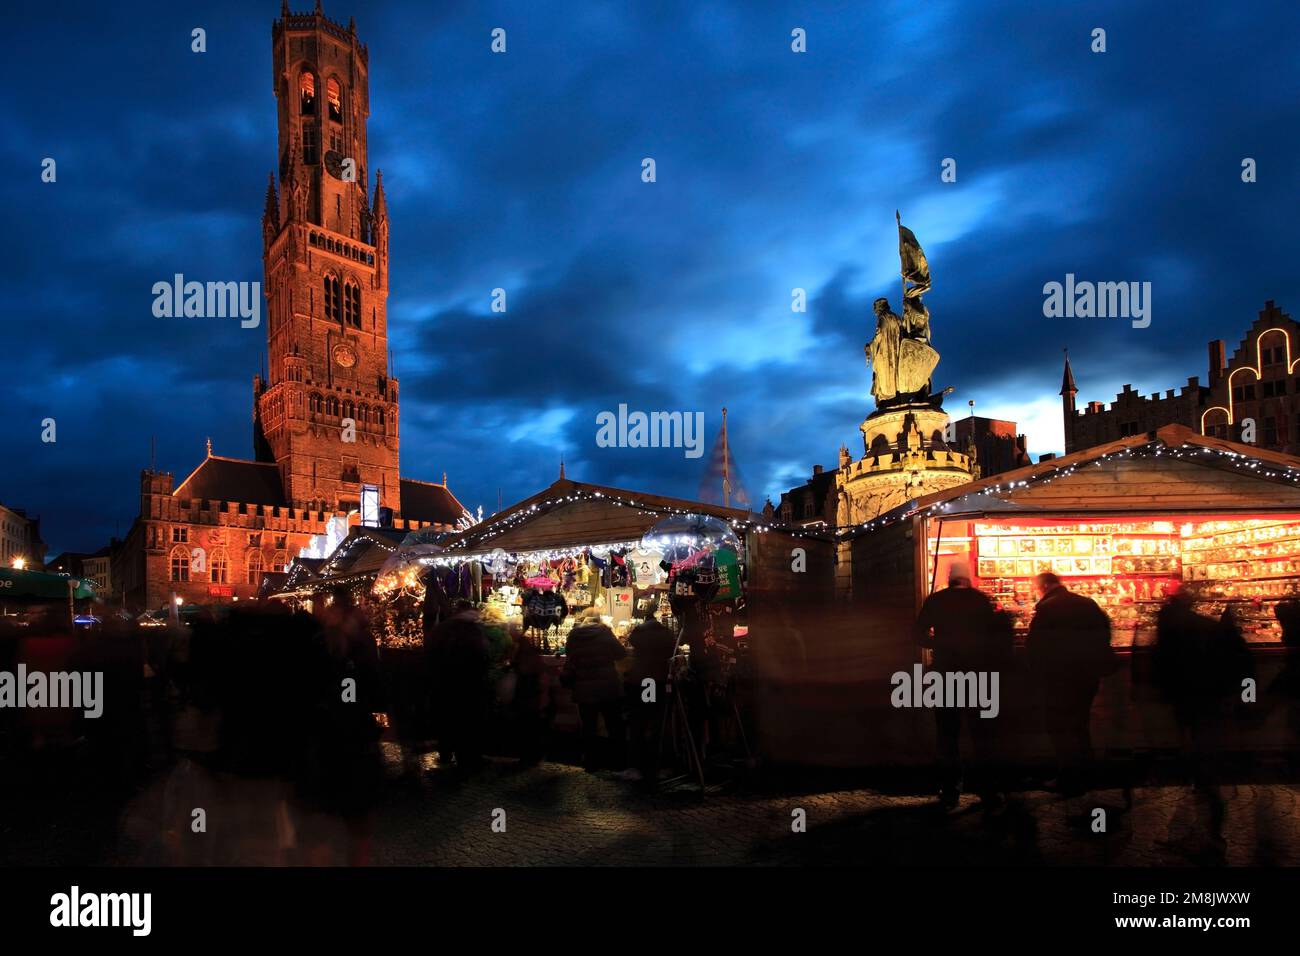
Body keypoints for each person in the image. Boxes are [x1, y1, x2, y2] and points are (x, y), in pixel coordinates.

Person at [1152, 585, 1253, 855]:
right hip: (1209, 701)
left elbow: (1165, 667)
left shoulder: (1173, 631)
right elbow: (1242, 661)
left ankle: (1208, 837)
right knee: (1204, 763)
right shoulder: (1207, 628)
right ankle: (1205, 832)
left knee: (1202, 765)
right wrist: (1244, 697)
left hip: (1196, 702)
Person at [914, 559, 1007, 810]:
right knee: (983, 735)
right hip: (978, 674)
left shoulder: (936, 600)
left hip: (946, 675)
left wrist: (939, 644)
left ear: (949, 578)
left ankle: (951, 790)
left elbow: (918, 634)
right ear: (967, 578)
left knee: (947, 735)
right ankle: (988, 790)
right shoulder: (981, 600)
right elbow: (994, 637)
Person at [1025, 571, 1115, 797]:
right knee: (1080, 725)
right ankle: (1087, 774)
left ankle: (1068, 777)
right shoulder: (1087, 603)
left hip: (1059, 675)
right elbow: (1105, 632)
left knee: (1059, 727)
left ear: (1044, 586)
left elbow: (1034, 645)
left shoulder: (1047, 608)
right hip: (1086, 675)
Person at [562, 608, 627, 771]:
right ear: (599, 619)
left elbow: (568, 654)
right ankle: (618, 762)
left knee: (589, 726)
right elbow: (621, 653)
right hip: (607, 687)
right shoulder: (605, 632)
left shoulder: (574, 635)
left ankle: (591, 763)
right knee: (614, 724)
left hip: (584, 688)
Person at [623, 607, 678, 784]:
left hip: (643, 680)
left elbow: (631, 643)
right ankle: (658, 764)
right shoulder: (667, 633)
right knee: (657, 721)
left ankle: (637, 765)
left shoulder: (640, 631)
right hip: (656, 680)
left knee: (640, 721)